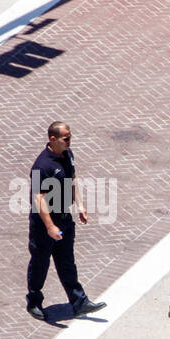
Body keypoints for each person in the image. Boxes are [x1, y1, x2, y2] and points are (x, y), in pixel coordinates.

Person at [26, 121, 105, 321]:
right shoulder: (42, 166)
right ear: (53, 139)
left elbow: (73, 178)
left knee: (67, 262)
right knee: (40, 263)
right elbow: (39, 199)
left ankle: (79, 302)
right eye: (66, 138)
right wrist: (50, 226)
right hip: (45, 225)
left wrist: (80, 204)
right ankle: (34, 301)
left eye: (70, 137)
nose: (70, 141)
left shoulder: (67, 155)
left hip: (64, 219)